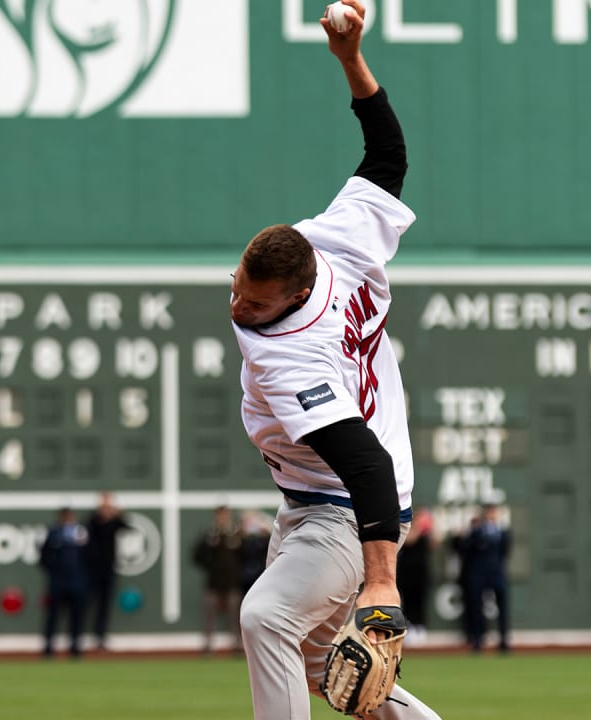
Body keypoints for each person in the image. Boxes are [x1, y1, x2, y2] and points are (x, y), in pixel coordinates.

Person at [227, 3, 440, 717]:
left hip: (347, 512)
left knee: (267, 620)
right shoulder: (337, 240)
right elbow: (388, 155)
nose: (239, 309)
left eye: (256, 305)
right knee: (343, 680)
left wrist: (382, 584)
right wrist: (351, 60)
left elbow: (365, 463)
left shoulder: (292, 357)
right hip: (315, 504)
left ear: (294, 293)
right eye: (237, 290)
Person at [457, 504, 511, 654]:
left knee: (503, 606)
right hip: (477, 573)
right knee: (475, 606)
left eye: (494, 513)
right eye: (490, 513)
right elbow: (464, 550)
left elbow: (504, 553)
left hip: (497, 573)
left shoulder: (503, 533)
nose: (492, 516)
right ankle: (477, 639)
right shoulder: (475, 532)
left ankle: (504, 640)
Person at [39, 507, 90, 658]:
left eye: (70, 516)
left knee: (77, 616)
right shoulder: (53, 533)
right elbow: (44, 557)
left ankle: (75, 647)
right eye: (65, 516)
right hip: (58, 581)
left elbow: (90, 556)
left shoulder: (82, 533)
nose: (68, 519)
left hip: (77, 581)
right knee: (53, 616)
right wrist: (54, 571)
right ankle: (49, 647)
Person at [193, 506, 244, 655]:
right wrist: (210, 566)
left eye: (225, 515)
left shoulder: (236, 535)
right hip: (213, 582)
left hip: (232, 582)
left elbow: (244, 555)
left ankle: (238, 645)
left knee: (236, 616)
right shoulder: (210, 535)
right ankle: (208, 646)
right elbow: (197, 555)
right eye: (220, 515)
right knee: (210, 616)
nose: (222, 518)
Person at [85, 491, 129, 651]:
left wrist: (116, 513)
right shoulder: (92, 521)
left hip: (108, 569)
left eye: (108, 503)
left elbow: (126, 526)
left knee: (104, 605)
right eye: (104, 503)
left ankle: (100, 637)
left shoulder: (115, 522)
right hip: (92, 570)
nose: (106, 507)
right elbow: (89, 529)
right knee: (86, 603)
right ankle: (80, 636)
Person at [397, 507, 434, 643]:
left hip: (421, 571)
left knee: (421, 600)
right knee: (408, 600)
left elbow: (435, 543)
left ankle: (420, 627)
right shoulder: (408, 528)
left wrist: (432, 525)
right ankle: (410, 627)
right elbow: (409, 541)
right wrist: (418, 525)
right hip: (406, 571)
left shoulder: (426, 532)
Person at [238, 510, 271, 597]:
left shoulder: (264, 541)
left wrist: (265, 534)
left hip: (260, 579)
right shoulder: (240, 540)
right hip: (244, 581)